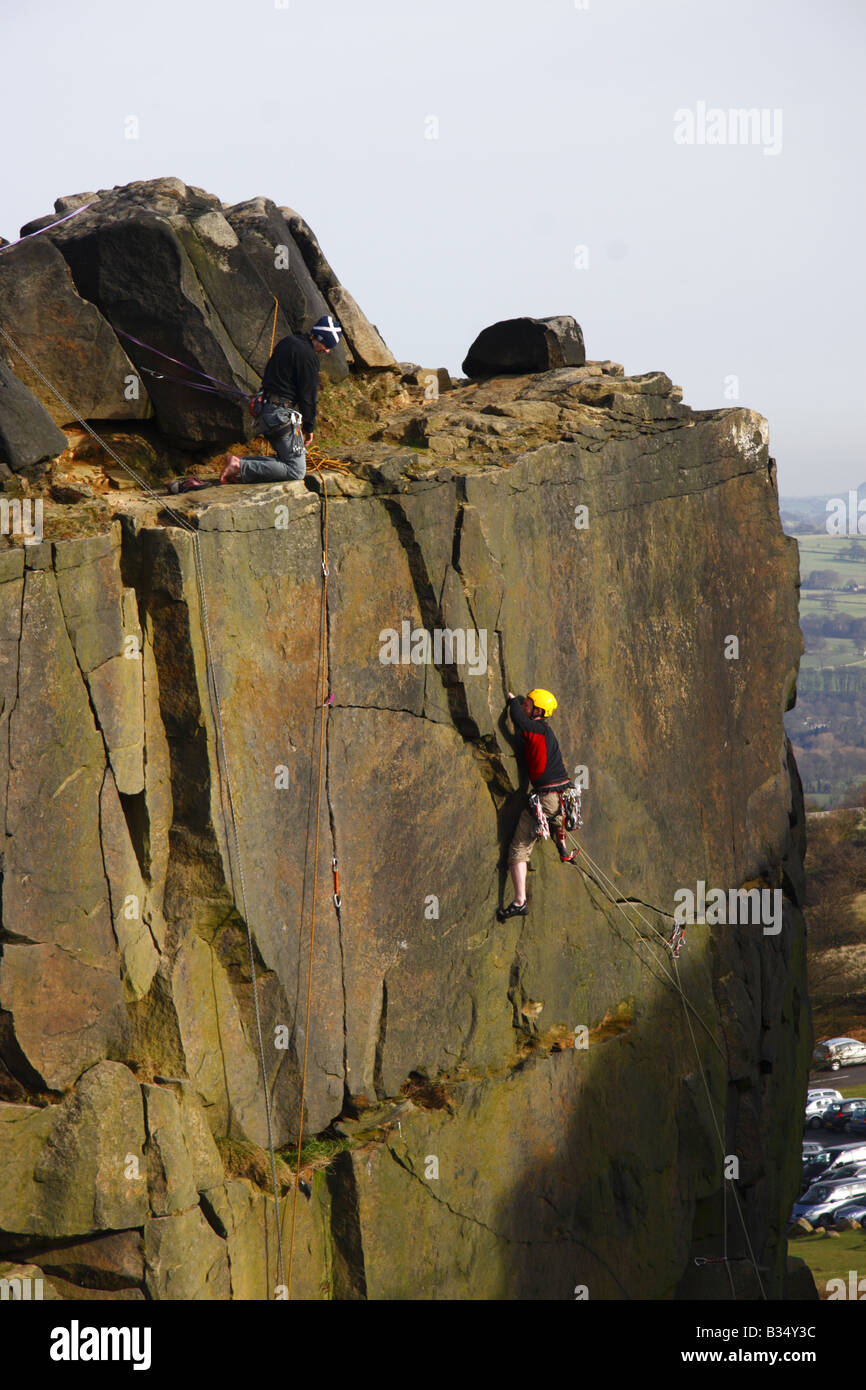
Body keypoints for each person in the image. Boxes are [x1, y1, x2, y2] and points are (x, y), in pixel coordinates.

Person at [168, 315, 343, 494]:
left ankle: (240, 466)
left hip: (267, 410)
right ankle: (239, 465)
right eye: (328, 346)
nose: (327, 351)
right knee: (296, 470)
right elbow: (308, 396)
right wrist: (310, 426)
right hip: (281, 416)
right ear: (320, 338)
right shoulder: (309, 357)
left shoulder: (288, 341)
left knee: (289, 459)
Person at [498, 688, 575, 921]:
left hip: (548, 797)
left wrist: (512, 701)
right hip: (563, 796)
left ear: (538, 711)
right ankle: (562, 848)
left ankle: (520, 901)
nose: (525, 707)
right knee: (554, 817)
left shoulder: (535, 729)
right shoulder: (546, 732)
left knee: (518, 849)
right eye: (525, 703)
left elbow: (517, 720)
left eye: (528, 704)